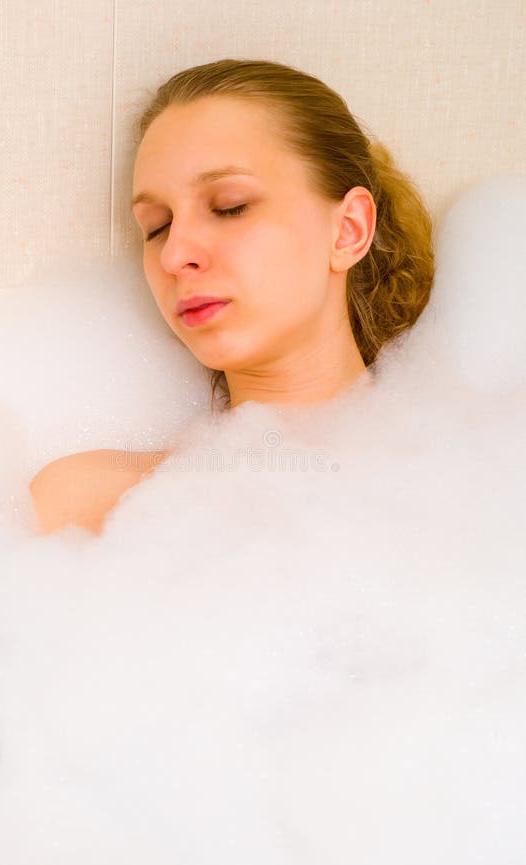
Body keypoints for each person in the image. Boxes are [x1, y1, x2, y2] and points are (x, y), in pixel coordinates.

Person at [29, 57, 435, 535]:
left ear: (348, 231)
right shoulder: (87, 505)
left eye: (230, 207)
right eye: (156, 227)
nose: (174, 254)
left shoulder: (472, 477)